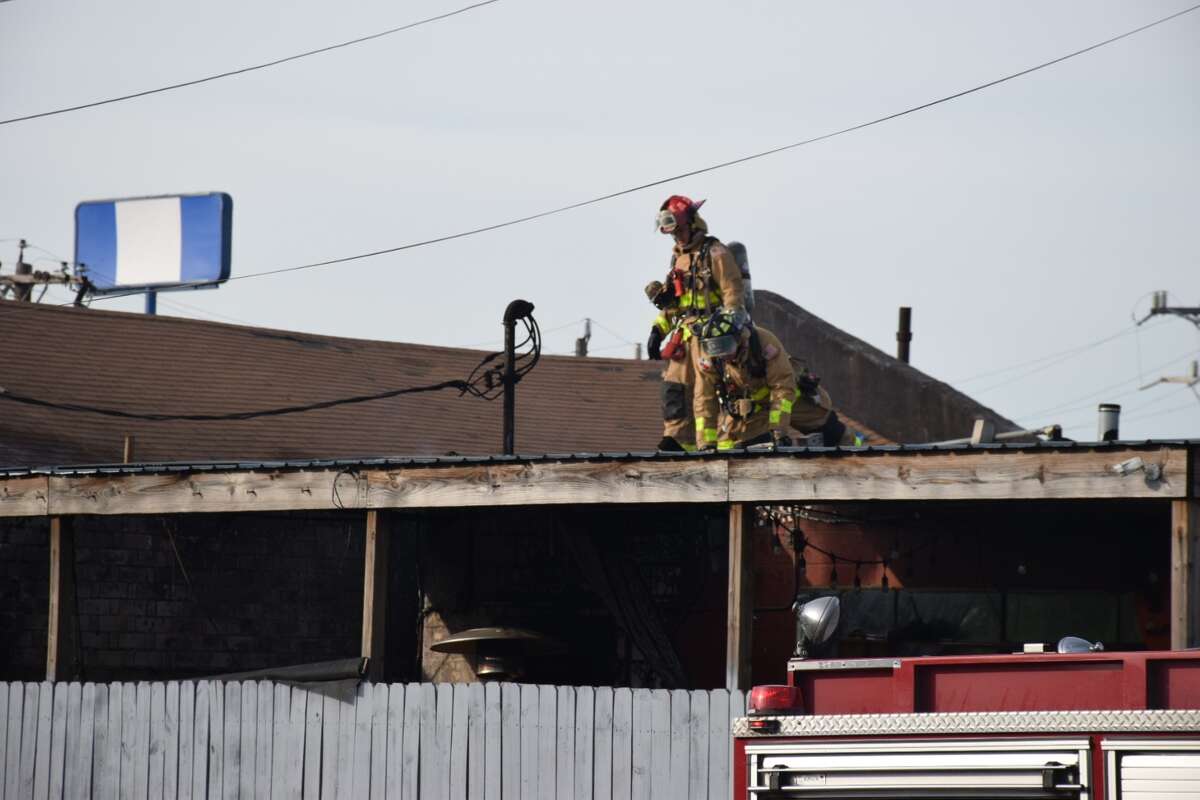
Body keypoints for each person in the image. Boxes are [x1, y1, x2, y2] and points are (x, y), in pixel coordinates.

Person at [647, 195, 747, 451]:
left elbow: (733, 294)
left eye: (679, 230)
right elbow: (675, 304)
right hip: (685, 334)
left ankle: (706, 444)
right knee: (674, 389)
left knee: (706, 391)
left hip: (711, 334)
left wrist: (727, 327)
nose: (677, 237)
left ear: (692, 223)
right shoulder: (678, 259)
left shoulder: (716, 253)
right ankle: (677, 441)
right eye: (672, 233)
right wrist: (658, 330)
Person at [693, 315, 795, 451]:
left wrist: (779, 433)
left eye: (726, 346)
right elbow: (704, 400)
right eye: (715, 348)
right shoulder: (711, 359)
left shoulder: (764, 343)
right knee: (733, 448)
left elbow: (782, 388)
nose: (722, 354)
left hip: (782, 402)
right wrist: (706, 444)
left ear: (739, 339)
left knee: (824, 423)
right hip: (743, 411)